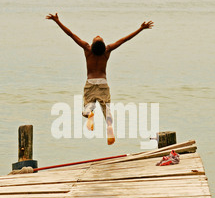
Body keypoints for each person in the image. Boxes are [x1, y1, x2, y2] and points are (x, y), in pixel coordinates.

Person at [46, 13, 154, 145]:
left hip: (90, 82)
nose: (98, 35)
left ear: (92, 44)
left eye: (98, 38)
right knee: (106, 109)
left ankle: (89, 114)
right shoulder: (107, 51)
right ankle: (109, 128)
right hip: (103, 83)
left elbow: (71, 35)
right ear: (103, 45)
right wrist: (140, 29)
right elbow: (125, 39)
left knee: (88, 107)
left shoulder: (87, 48)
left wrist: (57, 21)